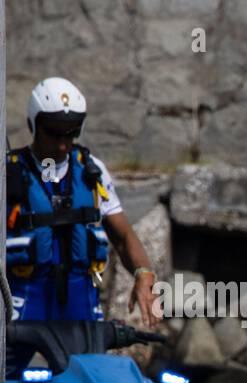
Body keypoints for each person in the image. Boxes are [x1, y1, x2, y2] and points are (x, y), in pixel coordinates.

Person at [5, 78, 158, 327]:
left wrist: (143, 273)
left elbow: (123, 236)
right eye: (53, 132)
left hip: (79, 302)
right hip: (23, 297)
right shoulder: (8, 173)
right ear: (33, 124)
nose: (63, 143)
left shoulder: (92, 171)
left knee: (90, 365)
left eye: (71, 131)